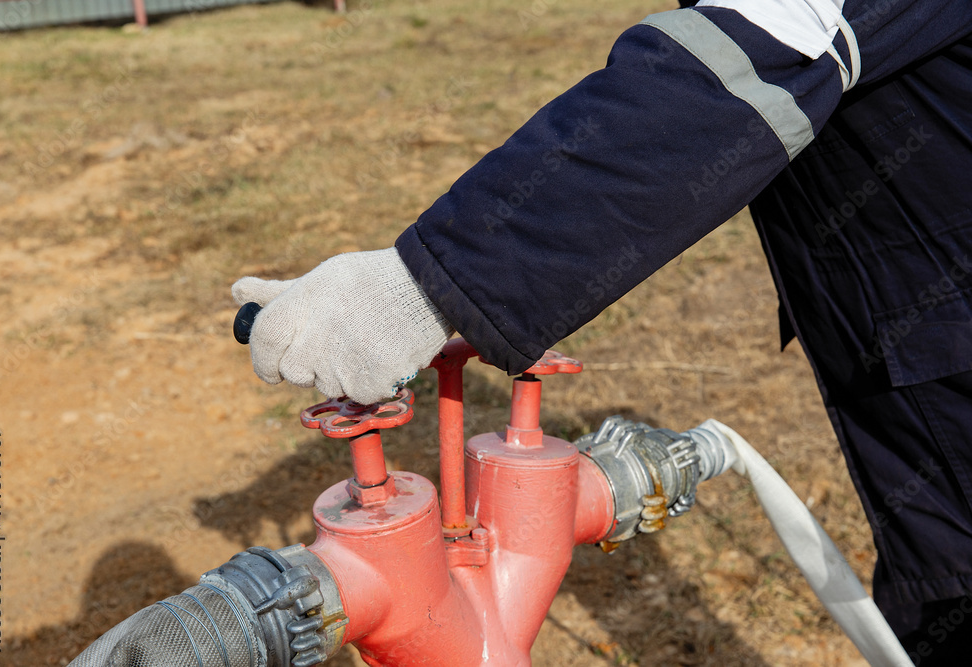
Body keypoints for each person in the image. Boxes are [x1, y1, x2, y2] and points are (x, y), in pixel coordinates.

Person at [232, 0, 972, 661]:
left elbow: (744, 65)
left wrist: (420, 288)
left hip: (939, 321)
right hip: (916, 320)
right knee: (942, 576)